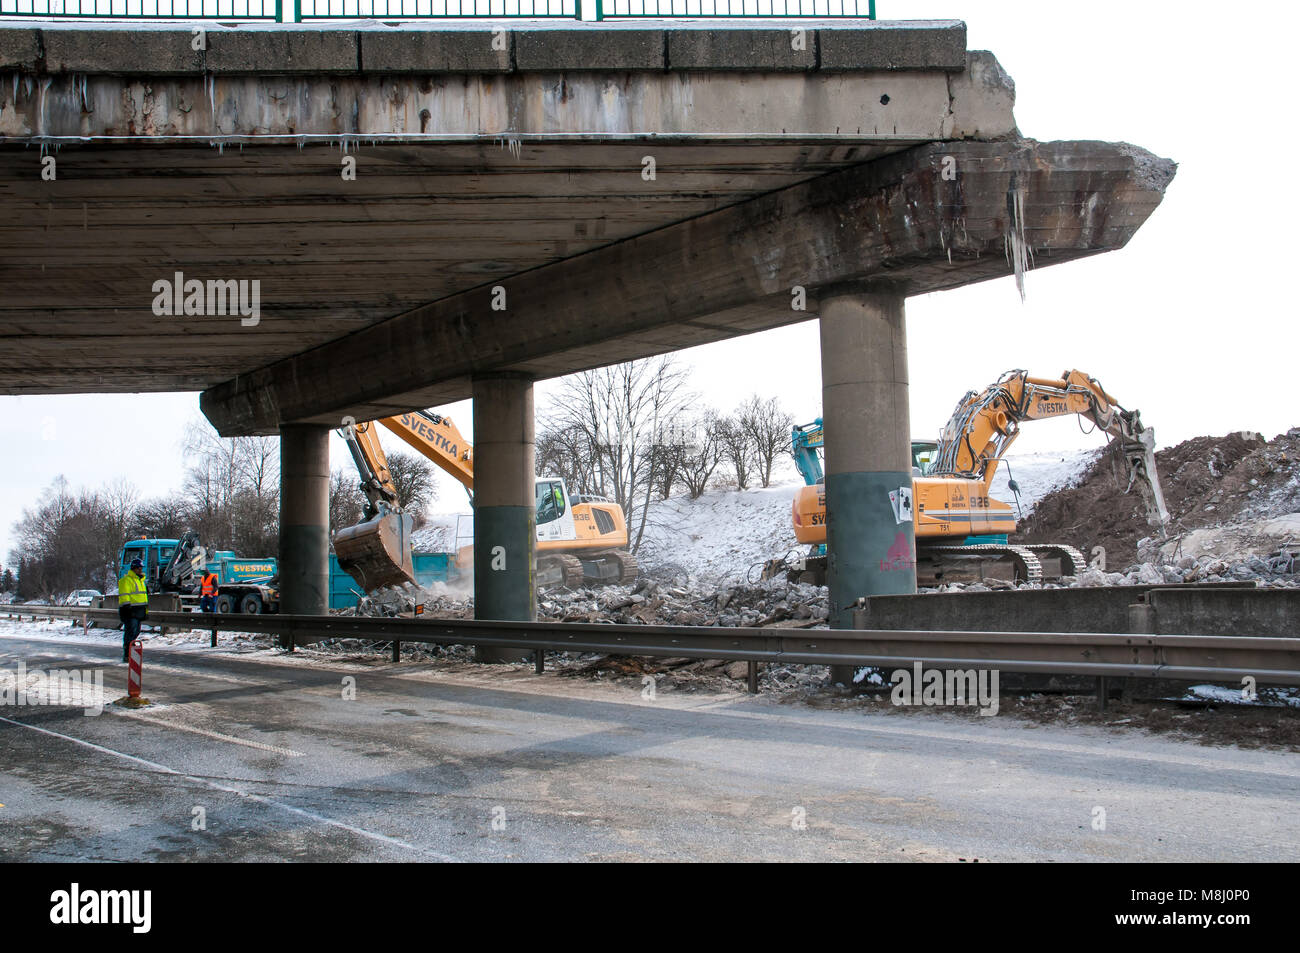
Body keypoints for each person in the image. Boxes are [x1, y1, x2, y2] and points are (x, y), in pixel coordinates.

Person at [117, 557, 148, 662]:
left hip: (139, 611)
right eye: (139, 568)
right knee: (130, 631)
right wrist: (127, 607)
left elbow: (143, 598)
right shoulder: (127, 580)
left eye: (141, 568)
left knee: (136, 631)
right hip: (130, 611)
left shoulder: (141, 581)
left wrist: (145, 611)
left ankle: (130, 650)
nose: (140, 570)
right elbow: (124, 595)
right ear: (134, 568)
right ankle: (127, 653)